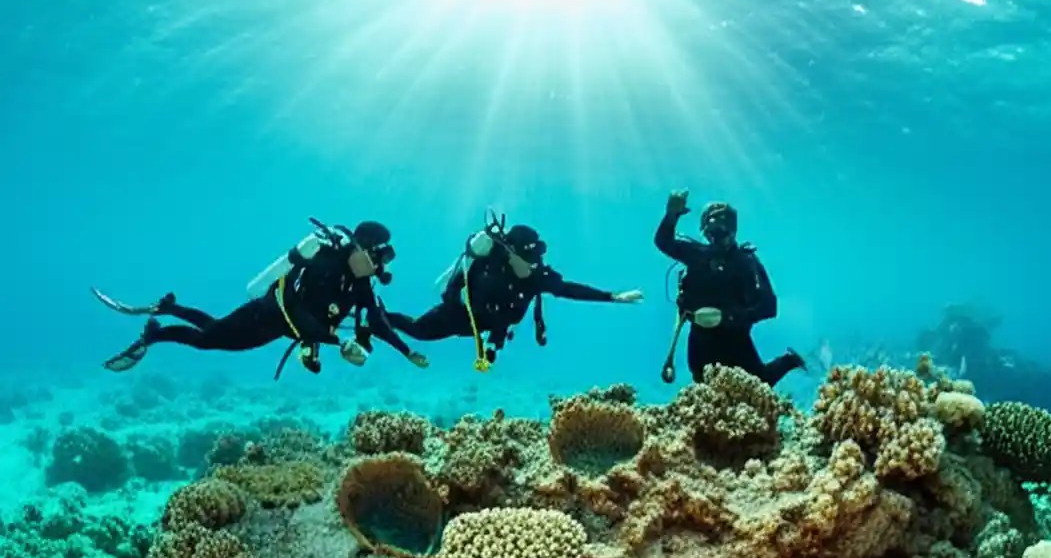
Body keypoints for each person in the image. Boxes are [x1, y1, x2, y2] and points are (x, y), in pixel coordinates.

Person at [96, 220, 429, 377]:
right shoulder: (325, 264)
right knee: (208, 339)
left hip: (277, 329)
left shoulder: (361, 283)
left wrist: (407, 351)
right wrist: (336, 344)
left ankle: (169, 308)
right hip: (267, 314)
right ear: (362, 247)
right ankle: (156, 333)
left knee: (214, 331)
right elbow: (299, 312)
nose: (379, 263)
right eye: (377, 255)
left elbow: (376, 321)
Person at [385, 216, 642, 369]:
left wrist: (612, 296)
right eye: (529, 257)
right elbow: (457, 282)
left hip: (491, 324)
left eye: (536, 258)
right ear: (512, 253)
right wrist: (453, 300)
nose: (534, 263)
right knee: (418, 330)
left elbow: (569, 290)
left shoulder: (535, 277)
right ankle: (378, 317)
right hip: (463, 315)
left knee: (496, 328)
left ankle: (492, 346)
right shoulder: (488, 262)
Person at [655, 190, 805, 386]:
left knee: (757, 385)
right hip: (700, 337)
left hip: (735, 337)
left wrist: (729, 317)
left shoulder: (746, 262)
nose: (718, 239)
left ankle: (790, 361)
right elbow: (663, 242)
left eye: (723, 232)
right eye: (712, 233)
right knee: (703, 385)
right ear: (704, 232)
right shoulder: (697, 254)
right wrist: (671, 215)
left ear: (733, 231)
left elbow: (769, 307)